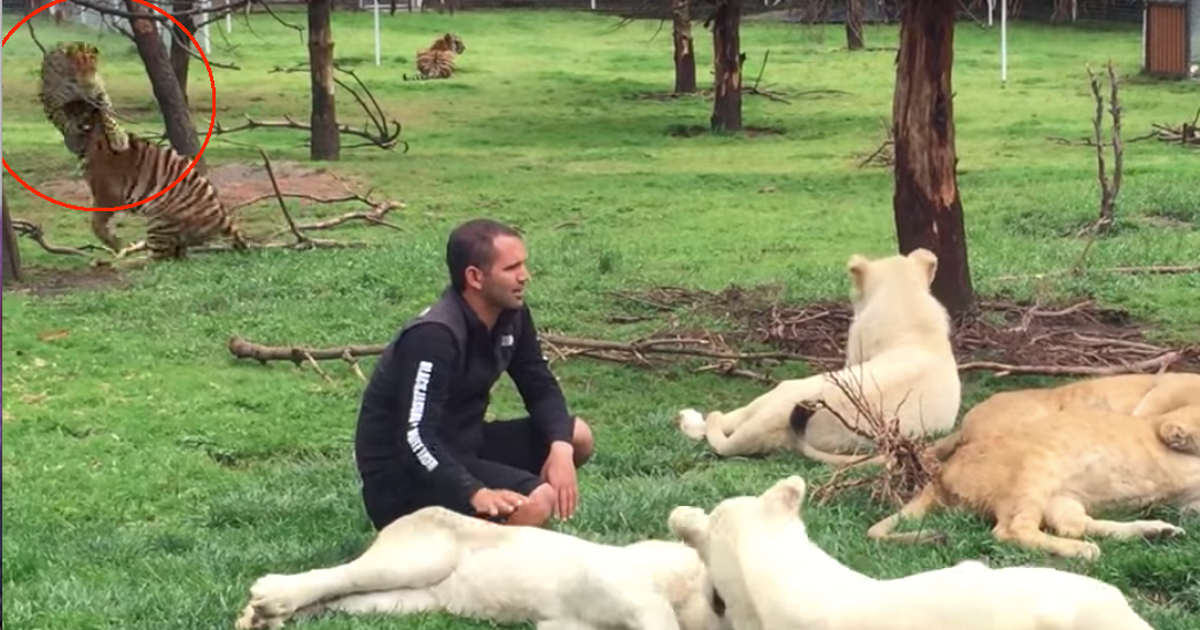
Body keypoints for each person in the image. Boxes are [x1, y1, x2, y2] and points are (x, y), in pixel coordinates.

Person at [354, 218, 595, 531]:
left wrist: (560, 448)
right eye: (511, 269)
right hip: (404, 475)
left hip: (464, 445)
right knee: (538, 502)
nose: (525, 276)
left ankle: (483, 536)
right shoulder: (433, 337)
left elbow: (539, 384)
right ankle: (473, 568)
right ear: (475, 277)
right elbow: (414, 438)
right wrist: (474, 492)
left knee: (576, 436)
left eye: (523, 264)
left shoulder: (512, 315)